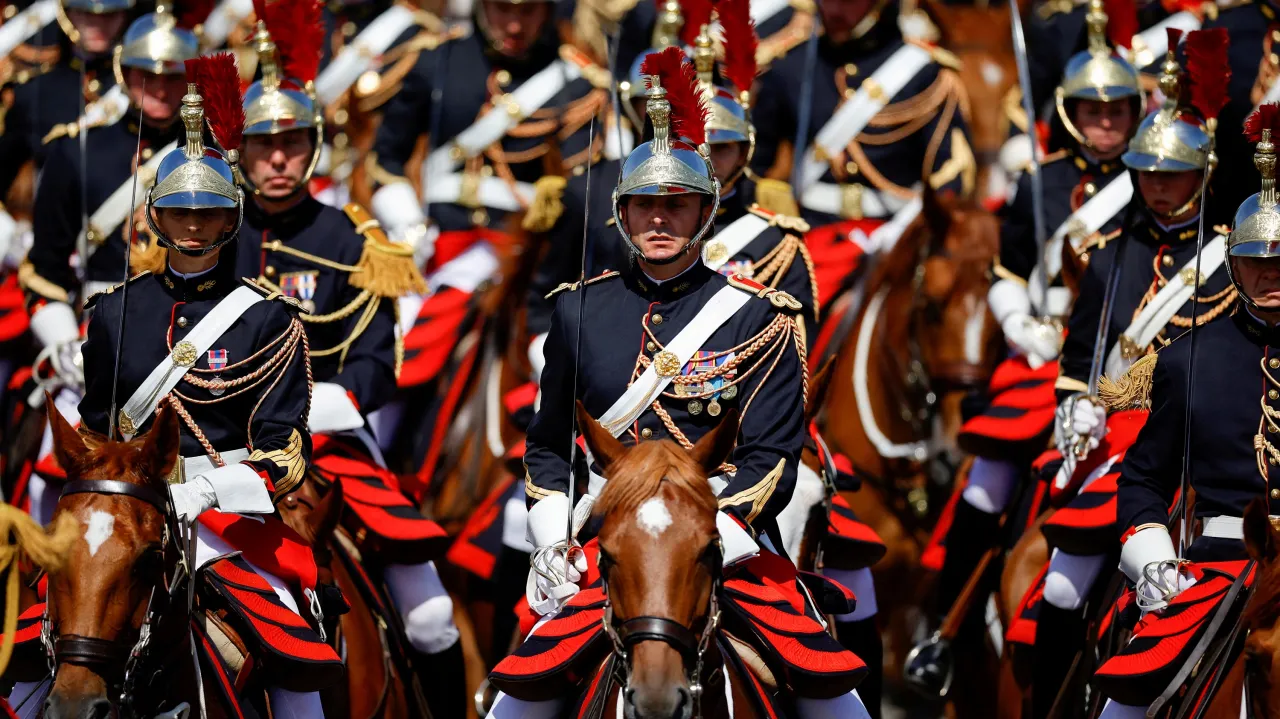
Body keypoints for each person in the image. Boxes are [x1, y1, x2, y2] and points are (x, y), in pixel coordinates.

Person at [491, 47, 871, 719]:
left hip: (724, 536)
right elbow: (550, 448)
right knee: (513, 705)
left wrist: (709, 531)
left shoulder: (763, 315)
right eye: (642, 206)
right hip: (610, 545)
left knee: (835, 700)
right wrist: (553, 538)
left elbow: (771, 455)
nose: (658, 220)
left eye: (676, 205)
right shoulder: (578, 309)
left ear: (705, 213)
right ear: (622, 214)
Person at [10, 56, 339, 718]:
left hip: (226, 516)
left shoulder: (269, 316)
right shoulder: (112, 311)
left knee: (294, 659)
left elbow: (282, 449)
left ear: (230, 219)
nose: (194, 225)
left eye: (209, 212)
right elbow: (98, 432)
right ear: (156, 218)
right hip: (128, 509)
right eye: (180, 211)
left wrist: (204, 489)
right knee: (23, 661)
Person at [904, 0, 1142, 704]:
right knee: (987, 483)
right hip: (1044, 353)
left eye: (1118, 110)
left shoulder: (1157, 187)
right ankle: (943, 632)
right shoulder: (1041, 183)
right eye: (1092, 110)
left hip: (1126, 367)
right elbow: (1005, 270)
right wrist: (1019, 322)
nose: (1105, 122)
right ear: (1068, 113)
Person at [233, 5, 463, 714]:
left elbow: (372, 367)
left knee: (429, 615)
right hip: (219, 448)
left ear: (315, 146)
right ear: (238, 150)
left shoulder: (354, 241)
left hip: (329, 443)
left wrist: (295, 414)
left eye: (293, 142)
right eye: (264, 143)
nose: (279, 159)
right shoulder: (208, 237)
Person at [362, 0, 611, 470]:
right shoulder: (435, 59)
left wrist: (554, 205)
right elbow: (384, 161)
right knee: (390, 349)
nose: (515, 25)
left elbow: (587, 189)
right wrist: (408, 222)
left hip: (524, 257)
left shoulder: (577, 83)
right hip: (436, 246)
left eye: (530, 12)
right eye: (501, 10)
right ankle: (375, 458)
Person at [1091, 102, 1280, 718]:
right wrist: (1152, 556)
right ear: (1234, 265)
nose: (1271, 276)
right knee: (1126, 705)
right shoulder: (1187, 359)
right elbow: (1145, 476)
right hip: (1217, 571)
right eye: (1257, 261)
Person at [15, 5, 199, 523]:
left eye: (174, 77)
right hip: (93, 340)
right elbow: (44, 273)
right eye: (148, 75)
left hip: (190, 339)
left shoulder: (213, 159)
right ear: (125, 72)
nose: (161, 88)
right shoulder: (77, 153)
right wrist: (61, 341)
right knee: (44, 480)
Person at [749, 0, 974, 318]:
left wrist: (902, 233)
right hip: (810, 234)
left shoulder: (924, 73)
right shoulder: (791, 65)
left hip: (895, 238)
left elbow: (951, 180)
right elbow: (756, 165)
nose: (833, 11)